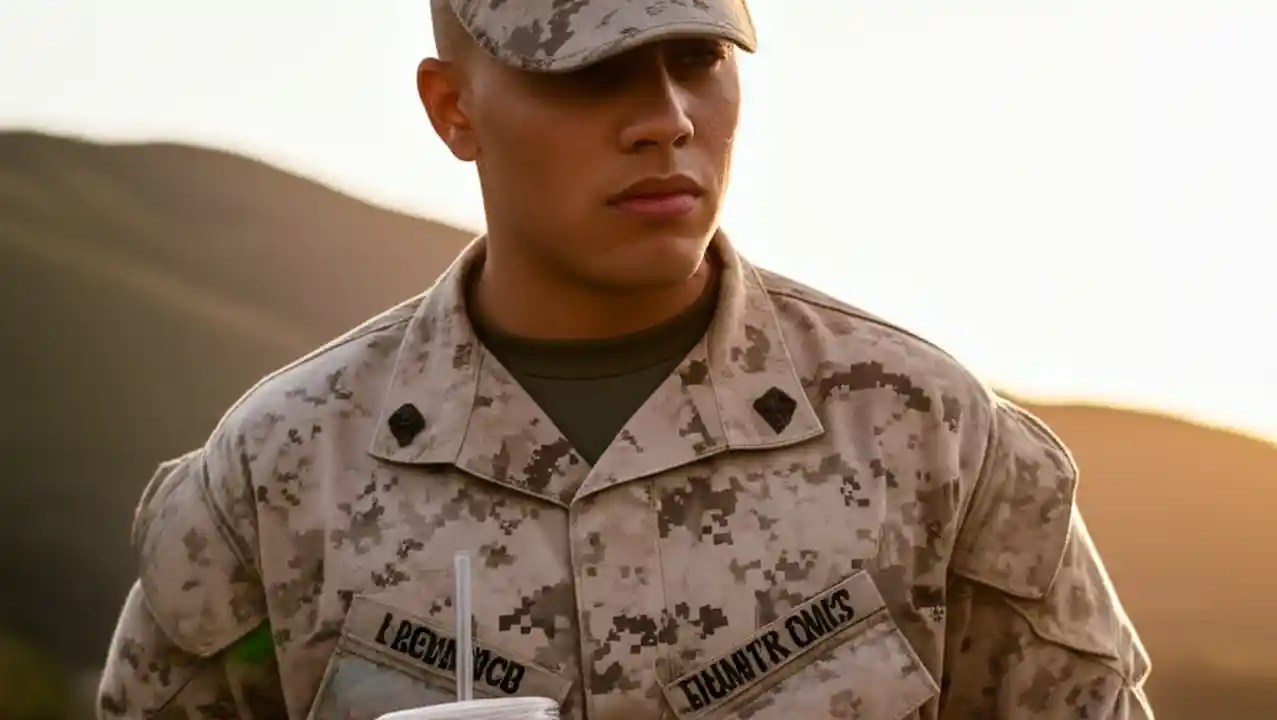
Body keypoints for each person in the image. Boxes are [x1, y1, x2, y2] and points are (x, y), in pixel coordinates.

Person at [97, 0, 1153, 718]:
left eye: (695, 57)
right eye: (587, 68)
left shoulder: (933, 439)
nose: (663, 119)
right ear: (451, 108)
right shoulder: (275, 479)